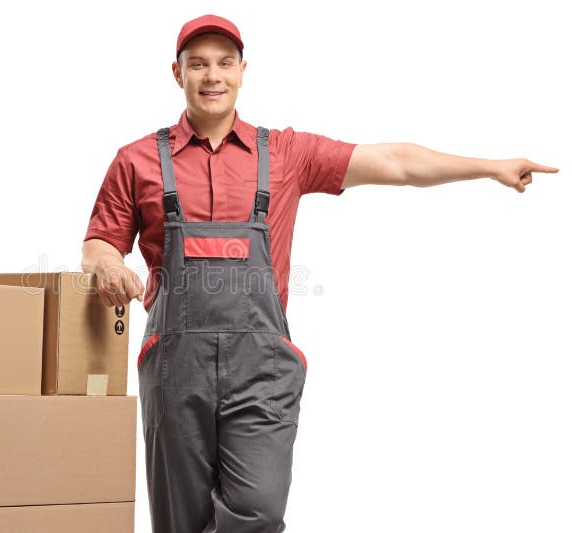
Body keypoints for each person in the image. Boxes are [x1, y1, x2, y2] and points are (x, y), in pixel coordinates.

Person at [80, 14, 558, 533]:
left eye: (224, 63)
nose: (212, 76)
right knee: (180, 521)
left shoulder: (286, 154)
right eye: (198, 64)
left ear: (243, 71)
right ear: (177, 74)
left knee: (258, 509)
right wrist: (107, 264)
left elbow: (395, 162)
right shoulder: (137, 160)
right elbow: (99, 242)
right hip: (176, 366)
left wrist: (489, 166)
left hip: (259, 369)